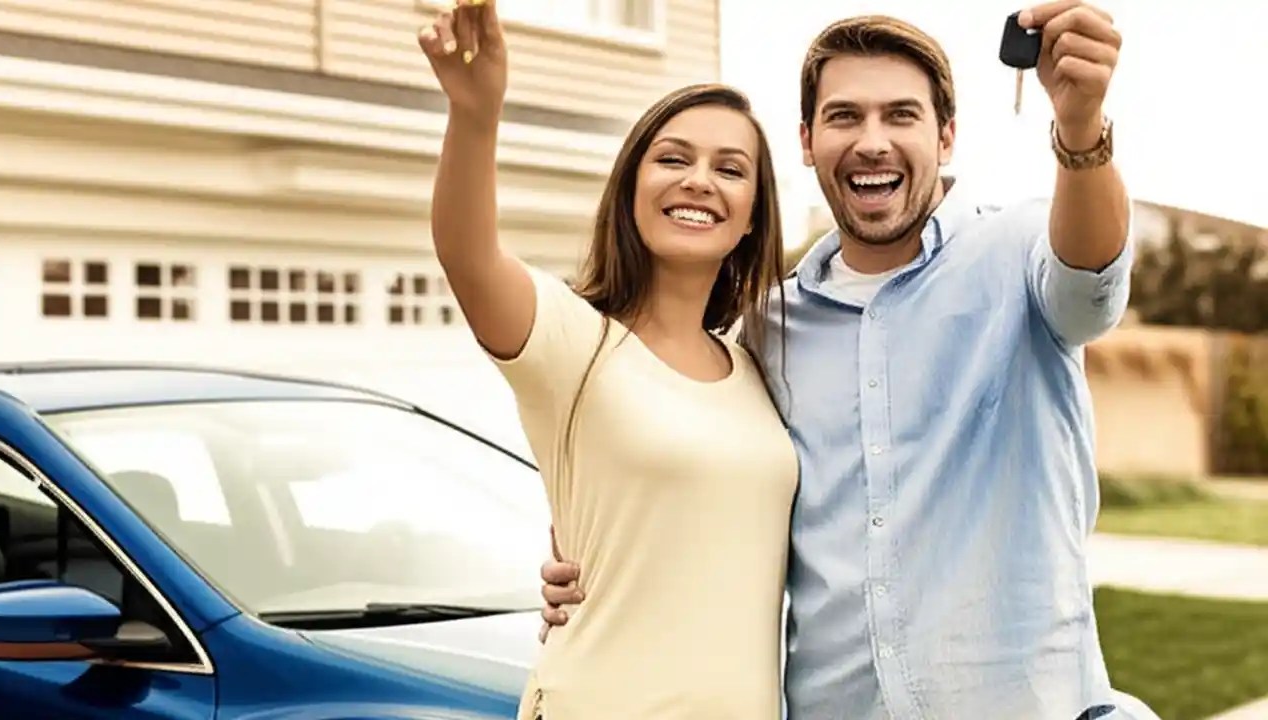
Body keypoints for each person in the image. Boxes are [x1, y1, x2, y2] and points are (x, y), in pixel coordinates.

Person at [539, 3, 1163, 719]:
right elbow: (703, 483)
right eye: (844, 117)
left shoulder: (1021, 255)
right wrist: (588, 558)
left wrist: (1081, 130)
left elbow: (1090, 290)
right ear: (807, 140)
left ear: (946, 136)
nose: (872, 142)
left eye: (901, 116)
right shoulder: (765, 329)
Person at [417, 1, 799, 718]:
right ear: (630, 189)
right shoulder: (574, 342)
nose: (699, 180)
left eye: (730, 168)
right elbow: (467, 256)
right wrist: (475, 112)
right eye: (673, 159)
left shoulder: (758, 366)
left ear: (753, 214)